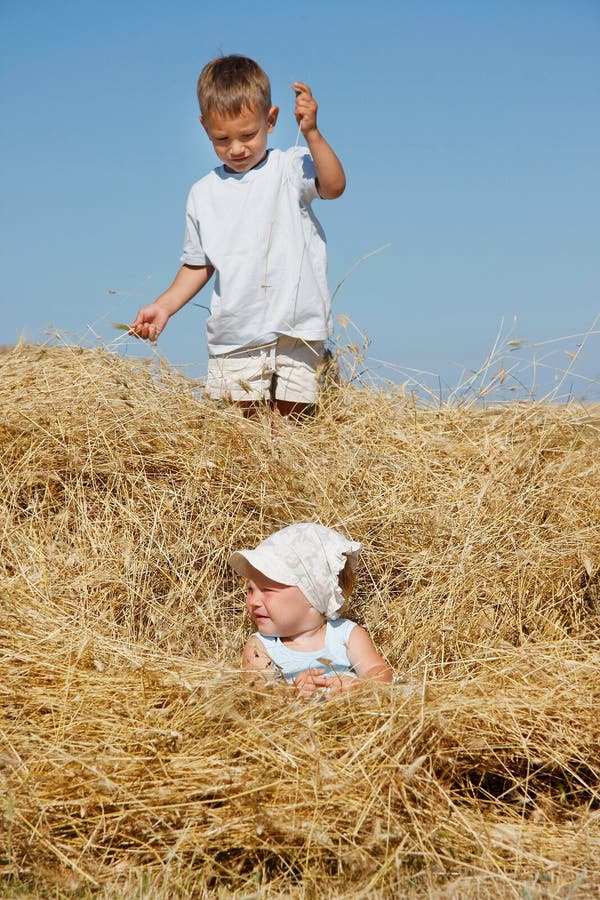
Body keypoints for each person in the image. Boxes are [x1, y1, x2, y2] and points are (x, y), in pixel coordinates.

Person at [130, 55, 346, 417]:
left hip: (297, 326)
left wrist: (312, 133)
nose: (236, 148)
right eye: (221, 138)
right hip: (236, 333)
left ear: (271, 120)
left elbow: (335, 186)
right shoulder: (203, 193)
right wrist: (164, 306)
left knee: (293, 427)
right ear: (204, 128)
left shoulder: (290, 167)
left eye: (248, 135)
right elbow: (198, 265)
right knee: (244, 431)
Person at [230, 523, 393, 697]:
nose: (253, 601)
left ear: (311, 596)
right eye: (250, 590)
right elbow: (258, 695)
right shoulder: (260, 646)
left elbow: (380, 672)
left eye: (267, 590)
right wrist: (292, 692)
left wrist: (360, 687)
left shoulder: (346, 634)